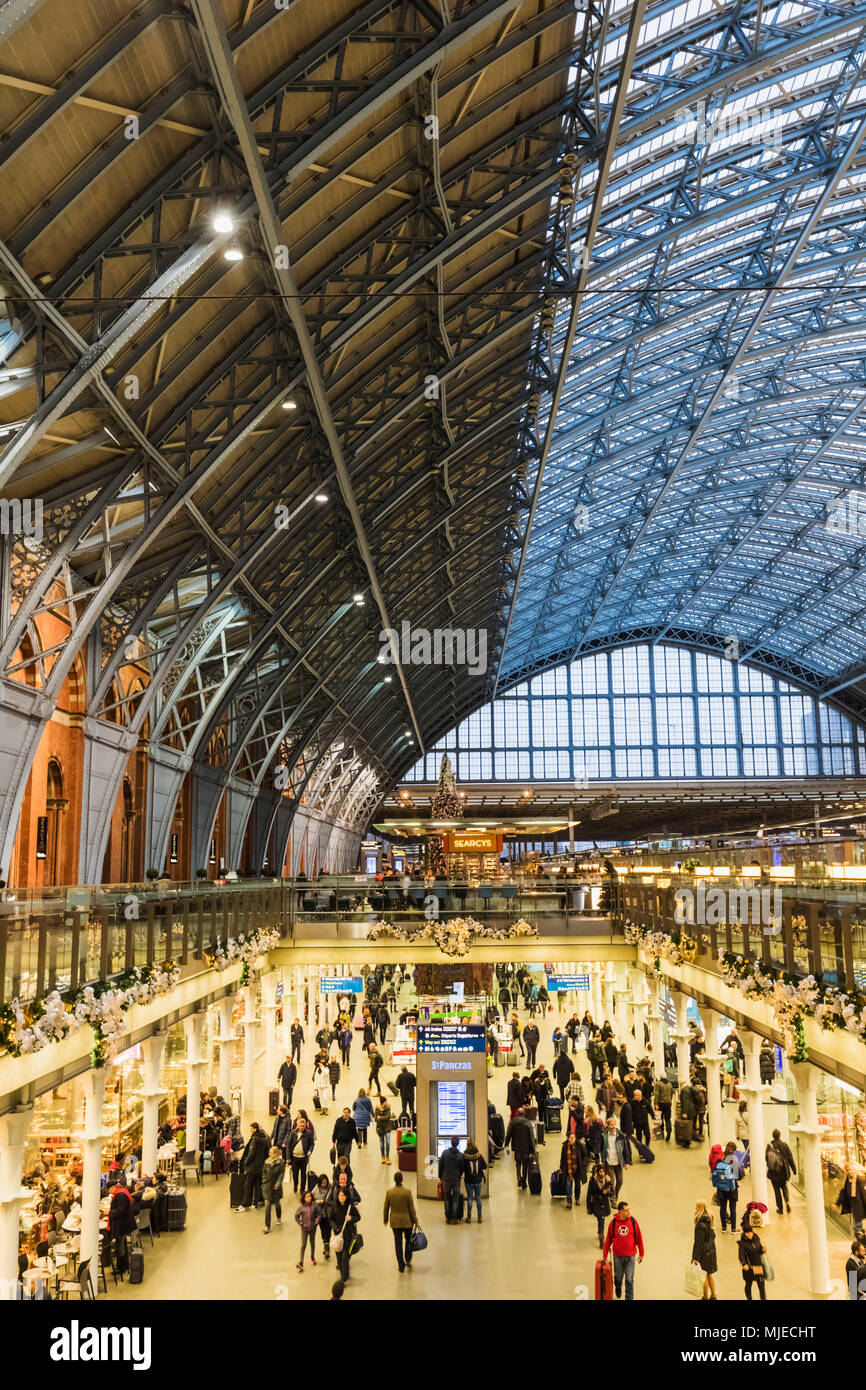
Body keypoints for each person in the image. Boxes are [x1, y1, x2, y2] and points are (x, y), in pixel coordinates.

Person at [602, 1200, 644, 1301]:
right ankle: (618, 1286)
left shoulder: (633, 1221)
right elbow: (608, 1240)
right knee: (618, 1278)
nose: (629, 1212)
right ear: (620, 1212)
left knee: (629, 1280)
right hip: (618, 1256)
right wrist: (604, 1256)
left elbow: (639, 1237)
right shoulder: (613, 1223)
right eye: (626, 1210)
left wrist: (641, 1253)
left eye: (629, 1210)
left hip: (631, 1256)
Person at [383, 1170, 418, 1272]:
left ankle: (401, 1265)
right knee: (408, 1240)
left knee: (398, 1243)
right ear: (402, 1180)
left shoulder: (389, 1192)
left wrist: (385, 1220)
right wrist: (415, 1220)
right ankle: (408, 1257)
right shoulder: (407, 1192)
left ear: (394, 1180)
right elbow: (411, 1208)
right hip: (407, 1222)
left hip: (395, 1222)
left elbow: (386, 1208)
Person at [329, 1185, 361, 1284]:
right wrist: (335, 1227)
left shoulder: (350, 1207)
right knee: (339, 1259)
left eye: (343, 1195)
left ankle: (343, 1278)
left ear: (347, 1196)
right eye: (339, 1195)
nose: (341, 1197)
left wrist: (351, 1218)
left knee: (345, 1257)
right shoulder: (335, 1206)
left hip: (348, 1235)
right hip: (338, 1236)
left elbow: (358, 1217)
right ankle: (345, 1274)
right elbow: (331, 1219)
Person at [236, 1122, 269, 1211]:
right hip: (260, 1166)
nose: (249, 1130)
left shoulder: (254, 1139)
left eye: (251, 1128)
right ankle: (255, 1204)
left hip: (252, 1166)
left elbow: (251, 1153)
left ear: (255, 1129)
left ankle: (244, 1204)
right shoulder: (264, 1138)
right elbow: (266, 1152)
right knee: (257, 1185)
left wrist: (245, 1162)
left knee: (248, 1185)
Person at [504, 1106, 537, 1190]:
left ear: (517, 1114)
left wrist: (506, 1145)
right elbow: (531, 1138)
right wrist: (533, 1151)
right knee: (525, 1165)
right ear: (524, 1114)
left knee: (518, 1163)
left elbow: (508, 1135)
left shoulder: (513, 1122)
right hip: (526, 1148)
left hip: (516, 1147)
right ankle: (524, 1181)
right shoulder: (527, 1123)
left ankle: (518, 1177)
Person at [765, 1129, 796, 1215]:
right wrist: (794, 1169)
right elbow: (790, 1157)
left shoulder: (770, 1146)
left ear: (773, 1136)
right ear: (780, 1135)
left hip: (774, 1172)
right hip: (783, 1172)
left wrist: (771, 1166)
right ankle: (787, 1202)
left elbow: (766, 1159)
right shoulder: (784, 1145)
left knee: (777, 1191)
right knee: (784, 1187)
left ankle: (780, 1208)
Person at [691, 1200, 718, 1299]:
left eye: (696, 1207)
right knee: (709, 1274)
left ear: (699, 1208)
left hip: (703, 1253)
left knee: (703, 1275)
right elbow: (713, 1236)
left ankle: (705, 1296)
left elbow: (699, 1243)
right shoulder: (709, 1220)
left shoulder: (700, 1224)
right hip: (711, 1250)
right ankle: (714, 1295)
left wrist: (696, 1258)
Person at [601, 1115, 630, 1198]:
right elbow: (602, 1149)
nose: (613, 1126)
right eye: (611, 1124)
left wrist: (627, 1162)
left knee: (620, 1181)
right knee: (612, 1182)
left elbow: (625, 1148)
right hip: (609, 1162)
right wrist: (602, 1161)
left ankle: (615, 1193)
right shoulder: (604, 1136)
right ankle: (613, 1199)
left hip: (618, 1162)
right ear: (607, 1125)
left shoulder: (620, 1135)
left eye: (614, 1124)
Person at [738, 1222, 767, 1301]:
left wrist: (763, 1250)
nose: (750, 1234)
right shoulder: (742, 1243)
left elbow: (760, 1249)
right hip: (749, 1268)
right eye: (747, 1232)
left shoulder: (756, 1238)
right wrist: (744, 1264)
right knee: (748, 1284)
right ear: (744, 1233)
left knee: (761, 1285)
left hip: (758, 1266)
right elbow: (741, 1256)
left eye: (751, 1232)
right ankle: (749, 1298)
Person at [438, 1136, 465, 1224]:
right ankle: (454, 1218)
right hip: (456, 1180)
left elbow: (440, 1166)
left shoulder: (444, 1153)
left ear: (451, 1142)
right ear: (458, 1144)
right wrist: (458, 1176)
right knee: (455, 1199)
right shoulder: (461, 1155)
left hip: (445, 1179)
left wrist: (440, 1177)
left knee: (446, 1198)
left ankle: (447, 1218)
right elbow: (462, 1169)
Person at [586, 1164, 614, 1248]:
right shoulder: (592, 1181)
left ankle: (600, 1232)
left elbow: (612, 1192)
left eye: (603, 1172)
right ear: (597, 1172)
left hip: (604, 1203)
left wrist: (607, 1192)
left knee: (601, 1219)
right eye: (600, 1171)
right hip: (596, 1203)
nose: (602, 1173)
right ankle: (601, 1238)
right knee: (601, 1219)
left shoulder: (608, 1181)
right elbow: (589, 1194)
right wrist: (588, 1206)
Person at [294, 1189, 322, 1270]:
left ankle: (312, 1258)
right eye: (307, 1197)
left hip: (313, 1228)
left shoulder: (315, 1205)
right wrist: (301, 1223)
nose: (309, 1198)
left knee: (312, 1243)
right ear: (304, 1198)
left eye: (310, 1196)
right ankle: (301, 1262)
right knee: (303, 1245)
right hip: (304, 1229)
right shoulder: (301, 1207)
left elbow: (320, 1213)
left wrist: (317, 1222)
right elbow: (296, 1216)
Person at [835, 1164, 866, 1238]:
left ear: (854, 1170)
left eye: (851, 1169)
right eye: (847, 1170)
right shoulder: (848, 1180)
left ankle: (861, 1243)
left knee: (857, 1227)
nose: (849, 1171)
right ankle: (862, 1243)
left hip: (859, 1208)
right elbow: (844, 1192)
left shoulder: (858, 1179)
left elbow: (863, 1194)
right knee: (858, 1227)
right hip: (853, 1208)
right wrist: (837, 1203)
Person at [559, 1130, 587, 1210]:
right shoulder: (564, 1146)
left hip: (577, 1170)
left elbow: (585, 1155)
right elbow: (562, 1158)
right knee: (568, 1186)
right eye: (570, 1137)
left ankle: (577, 1198)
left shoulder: (579, 1145)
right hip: (568, 1170)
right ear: (567, 1138)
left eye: (573, 1137)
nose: (572, 1139)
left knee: (578, 1185)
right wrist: (561, 1167)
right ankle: (569, 1202)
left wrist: (584, 1164)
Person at [261, 1145, 286, 1234]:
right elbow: (263, 1172)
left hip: (276, 1188)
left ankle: (278, 1217)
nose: (269, 1154)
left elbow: (281, 1175)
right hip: (267, 1187)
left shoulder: (281, 1163)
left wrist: (278, 1184)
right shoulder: (266, 1162)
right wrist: (264, 1182)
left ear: (275, 1154)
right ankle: (267, 1226)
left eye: (271, 1153)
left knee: (277, 1204)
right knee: (267, 1206)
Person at [287, 1116, 314, 1193]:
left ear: (305, 1125)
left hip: (303, 1158)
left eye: (303, 1126)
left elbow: (312, 1144)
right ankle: (295, 1185)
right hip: (294, 1158)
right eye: (300, 1125)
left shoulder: (308, 1134)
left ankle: (302, 1189)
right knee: (295, 1174)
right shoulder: (293, 1133)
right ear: (297, 1125)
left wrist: (310, 1151)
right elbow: (288, 1145)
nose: (301, 1127)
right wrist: (288, 1157)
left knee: (303, 1175)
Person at [463, 1139, 487, 1223]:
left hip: (468, 1181)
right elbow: (485, 1166)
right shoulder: (479, 1156)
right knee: (478, 1198)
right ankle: (479, 1217)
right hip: (478, 1180)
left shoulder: (465, 1157)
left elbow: (462, 1168)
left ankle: (469, 1217)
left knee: (469, 1198)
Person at [374, 1096, 393, 1163]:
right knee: (382, 1144)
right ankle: (383, 1157)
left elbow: (388, 1117)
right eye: (385, 1101)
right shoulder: (377, 1109)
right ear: (382, 1102)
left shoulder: (388, 1108)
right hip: (380, 1128)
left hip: (387, 1128)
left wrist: (380, 1117)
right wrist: (381, 1118)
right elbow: (376, 1119)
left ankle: (387, 1157)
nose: (386, 1102)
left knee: (388, 1142)